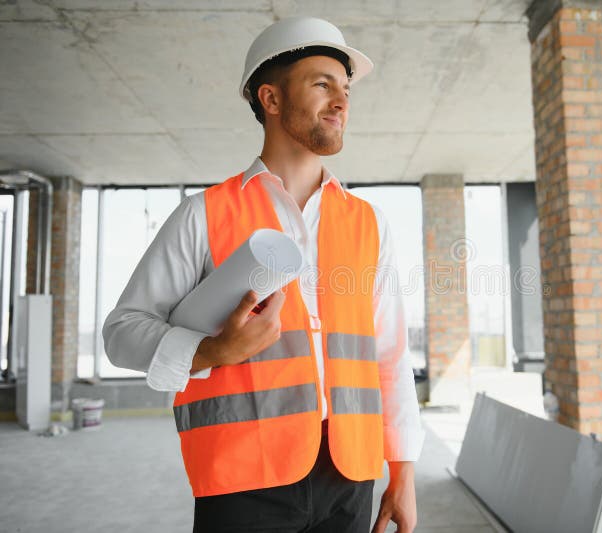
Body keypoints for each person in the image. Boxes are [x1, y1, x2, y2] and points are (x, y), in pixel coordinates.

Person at [103, 16, 424, 533]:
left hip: (350, 475)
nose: (342, 101)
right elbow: (122, 332)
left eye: (345, 90)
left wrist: (403, 471)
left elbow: (389, 355)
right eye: (322, 84)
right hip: (242, 477)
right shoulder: (203, 214)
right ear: (270, 99)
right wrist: (211, 352)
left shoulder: (368, 223)